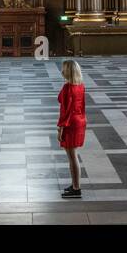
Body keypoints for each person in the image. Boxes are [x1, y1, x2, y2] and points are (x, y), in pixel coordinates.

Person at [56, 59, 86, 198]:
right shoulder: (80, 86)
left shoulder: (67, 88)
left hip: (70, 124)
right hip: (79, 121)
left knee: (72, 157)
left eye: (64, 69)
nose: (62, 71)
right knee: (73, 156)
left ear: (68, 71)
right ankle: (75, 184)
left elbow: (65, 111)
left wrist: (60, 128)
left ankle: (76, 188)